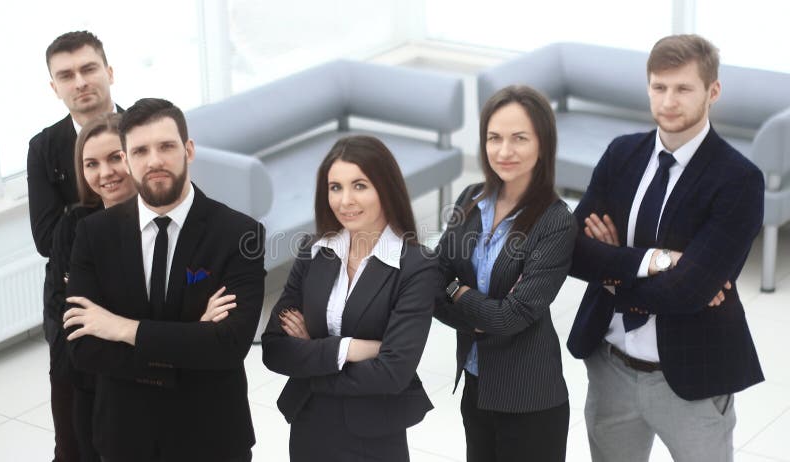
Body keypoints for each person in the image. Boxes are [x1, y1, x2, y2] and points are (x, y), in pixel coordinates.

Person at [567, 34, 764, 462]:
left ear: (712, 91)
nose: (669, 100)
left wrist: (612, 272)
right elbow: (573, 251)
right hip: (610, 366)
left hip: (693, 376)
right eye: (659, 87)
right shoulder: (622, 154)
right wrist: (653, 262)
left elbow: (688, 292)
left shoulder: (739, 180)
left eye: (683, 88)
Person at [62, 98, 265, 462]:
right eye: (140, 150)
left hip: (212, 437)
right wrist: (192, 337)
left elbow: (229, 346)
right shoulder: (93, 234)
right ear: (126, 159)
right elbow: (84, 347)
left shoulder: (239, 234)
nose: (154, 160)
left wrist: (123, 328)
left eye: (166, 146)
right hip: (125, 437)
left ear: (188, 150)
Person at [262, 135, 438, 462]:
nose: (345, 200)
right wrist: (350, 349)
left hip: (374, 434)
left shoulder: (415, 265)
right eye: (335, 187)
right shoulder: (314, 252)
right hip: (309, 425)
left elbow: (393, 372)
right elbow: (273, 349)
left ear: (385, 188)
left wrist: (312, 353)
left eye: (359, 185)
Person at [434, 85, 575, 462]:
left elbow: (512, 317)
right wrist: (476, 308)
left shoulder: (556, 221)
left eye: (519, 139)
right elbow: (431, 280)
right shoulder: (471, 198)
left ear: (542, 144)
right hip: (476, 384)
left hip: (529, 398)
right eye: (493, 138)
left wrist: (459, 293)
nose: (504, 151)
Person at [26, 30, 122, 462]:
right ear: (54, 87)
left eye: (88, 69)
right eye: (66, 75)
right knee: (74, 438)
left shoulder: (148, 124)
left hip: (142, 297)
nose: (79, 81)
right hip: (71, 303)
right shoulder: (43, 148)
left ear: (109, 72)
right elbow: (47, 238)